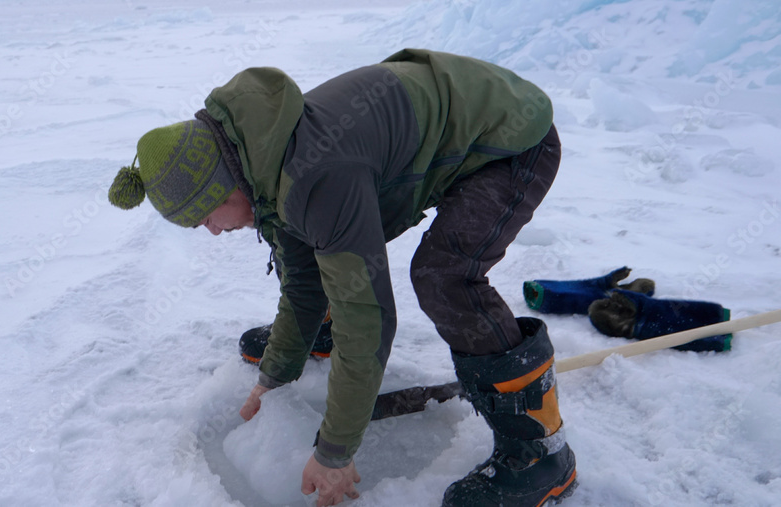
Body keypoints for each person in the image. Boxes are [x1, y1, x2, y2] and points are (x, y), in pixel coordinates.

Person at [109, 49, 576, 507]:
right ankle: (322, 334)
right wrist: (274, 376)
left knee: (443, 276)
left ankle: (540, 454)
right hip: (441, 125)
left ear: (219, 185)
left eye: (204, 218)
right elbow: (304, 283)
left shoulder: (314, 177)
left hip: (510, 139)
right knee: (320, 257)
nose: (212, 231)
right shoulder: (260, 162)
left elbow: (369, 318)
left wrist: (334, 453)